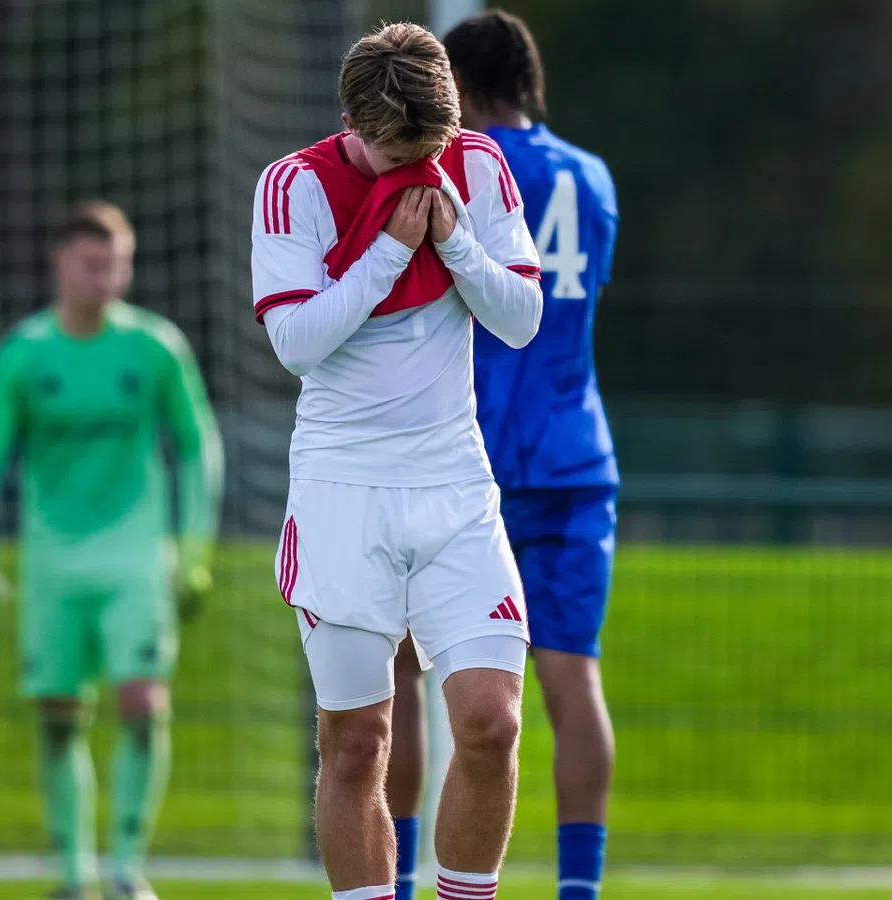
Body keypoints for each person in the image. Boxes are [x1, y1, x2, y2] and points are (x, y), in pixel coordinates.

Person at [250, 21, 543, 900]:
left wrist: (453, 242)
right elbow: (296, 342)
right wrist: (386, 253)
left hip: (454, 481)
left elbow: (522, 320)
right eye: (393, 153)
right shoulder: (293, 185)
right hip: (344, 488)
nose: (414, 166)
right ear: (350, 120)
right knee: (358, 742)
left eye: (430, 147)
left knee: (490, 726)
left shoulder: (479, 165)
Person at [384, 11, 620, 900]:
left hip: (465, 454)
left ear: (463, 92)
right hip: (573, 453)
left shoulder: (457, 170)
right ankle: (578, 890)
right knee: (572, 681)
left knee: (400, 670)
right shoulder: (593, 179)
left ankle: (401, 879)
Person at [0, 201, 225, 900]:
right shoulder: (24, 354)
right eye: (92, 263)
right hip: (52, 563)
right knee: (57, 716)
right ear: (61, 264)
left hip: (135, 555)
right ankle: (74, 874)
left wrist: (194, 547)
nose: (106, 277)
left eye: (118, 263)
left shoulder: (155, 347)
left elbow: (197, 448)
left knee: (143, 702)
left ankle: (127, 869)